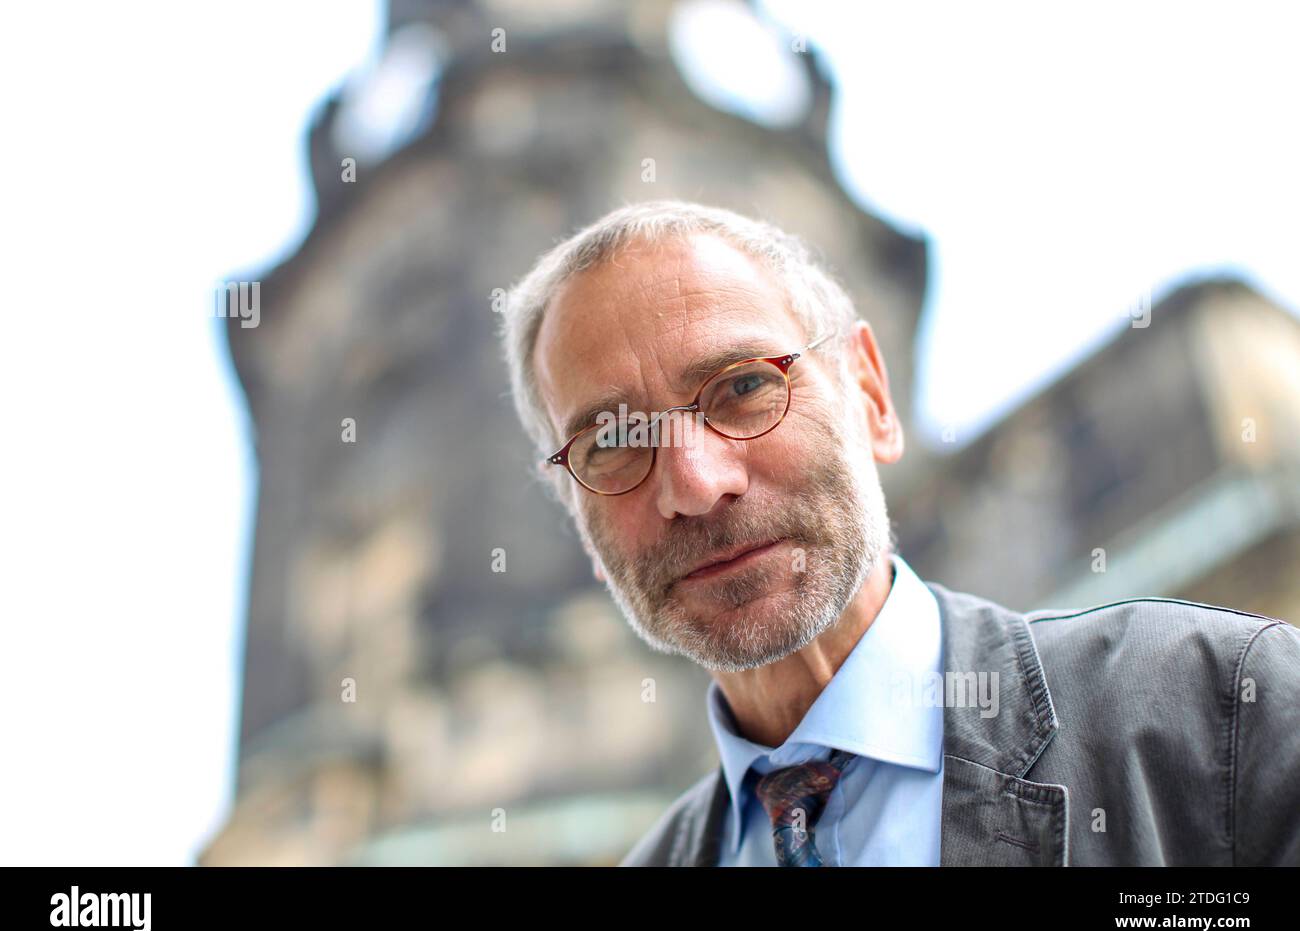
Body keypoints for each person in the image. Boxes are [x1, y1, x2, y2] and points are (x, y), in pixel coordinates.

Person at [497, 199, 1300, 866]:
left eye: (742, 386)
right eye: (613, 443)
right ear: (579, 519)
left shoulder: (1218, 712)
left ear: (872, 397)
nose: (700, 486)